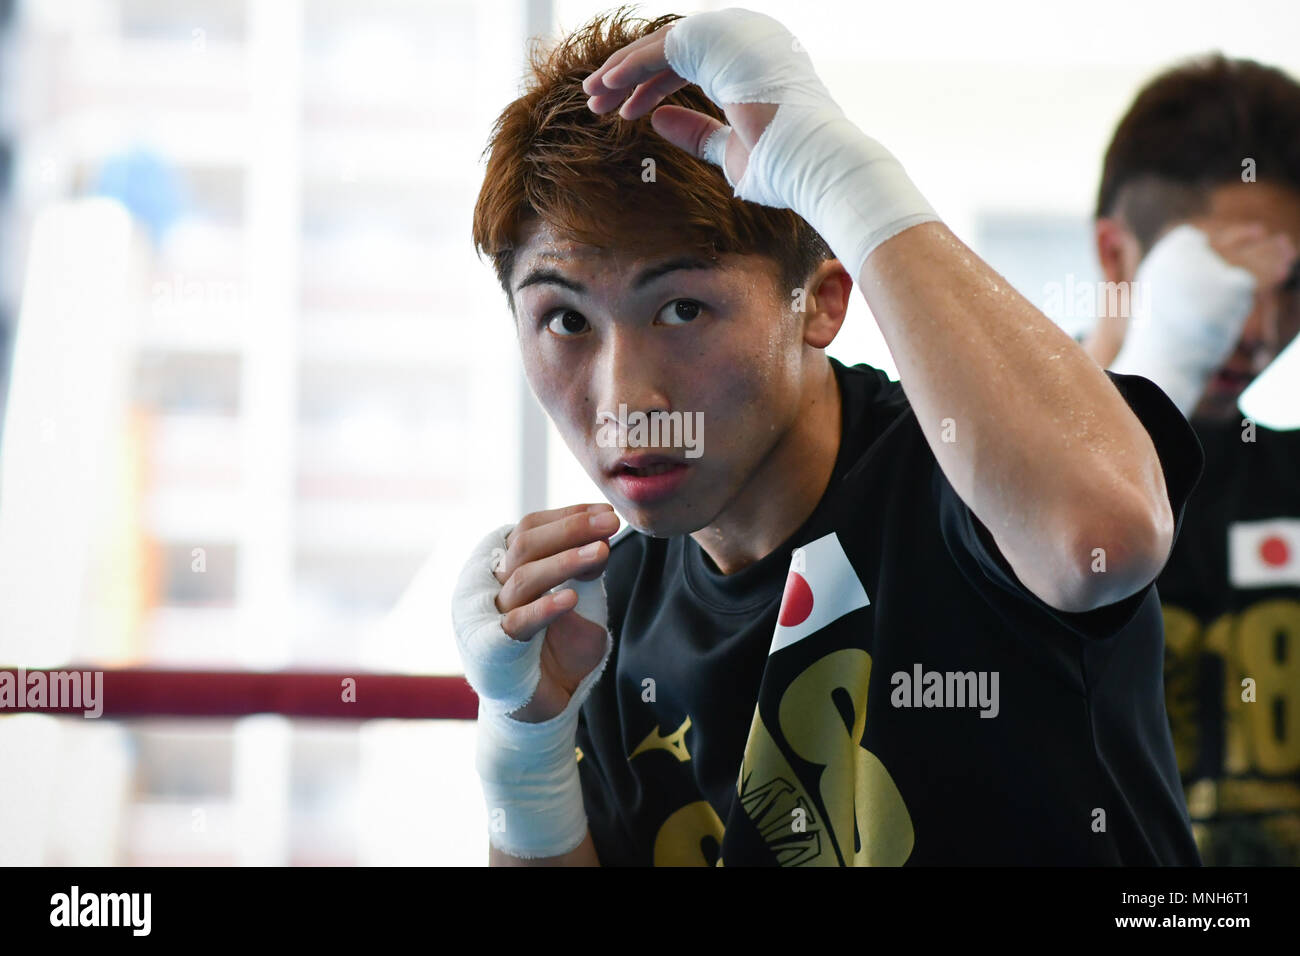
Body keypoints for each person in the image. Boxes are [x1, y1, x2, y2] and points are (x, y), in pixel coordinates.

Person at [455, 5, 1203, 866]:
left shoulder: (969, 480)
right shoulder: (598, 621)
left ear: (823, 302)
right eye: (565, 321)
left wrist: (848, 180)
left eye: (683, 308)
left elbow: (1100, 539)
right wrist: (524, 747)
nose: (627, 400)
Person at [1083, 53, 1300, 865]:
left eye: (1292, 285)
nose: (1263, 326)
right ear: (1116, 257)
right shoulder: (966, 471)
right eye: (1228, 275)